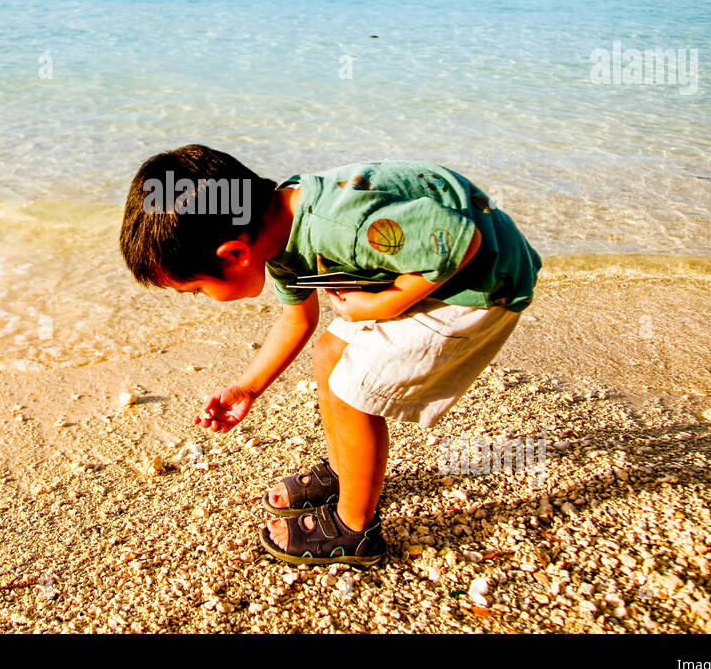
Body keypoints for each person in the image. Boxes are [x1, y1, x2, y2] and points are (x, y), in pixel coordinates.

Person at [118, 144, 541, 566]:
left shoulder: (341, 226)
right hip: (421, 268)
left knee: (351, 390)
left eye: (195, 290)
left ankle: (355, 529)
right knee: (329, 352)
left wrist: (385, 304)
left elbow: (463, 241)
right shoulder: (274, 228)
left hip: (479, 282)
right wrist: (248, 387)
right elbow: (297, 322)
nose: (200, 298)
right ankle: (347, 473)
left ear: (233, 254)